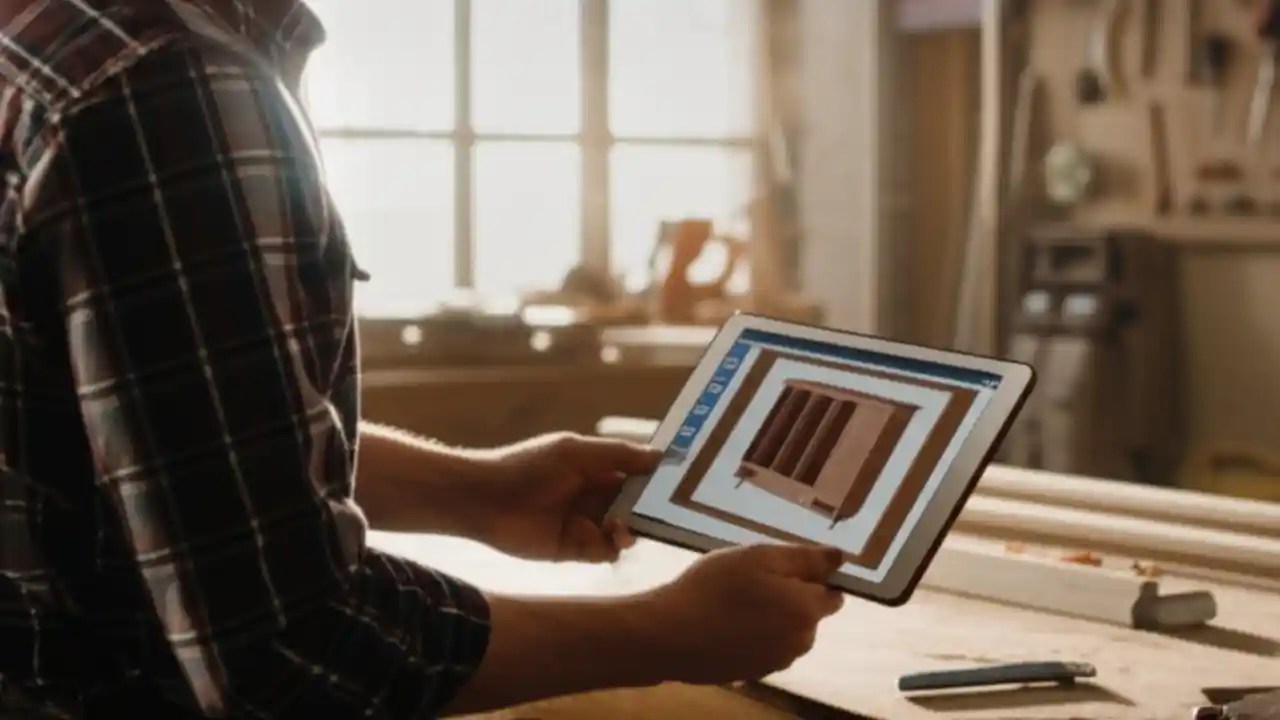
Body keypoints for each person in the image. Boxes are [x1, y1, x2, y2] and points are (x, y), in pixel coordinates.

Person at [0, 1, 845, 717]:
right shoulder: (165, 87)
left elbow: (162, 445)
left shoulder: (56, 45)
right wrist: (670, 633)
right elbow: (291, 652)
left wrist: (475, 491)